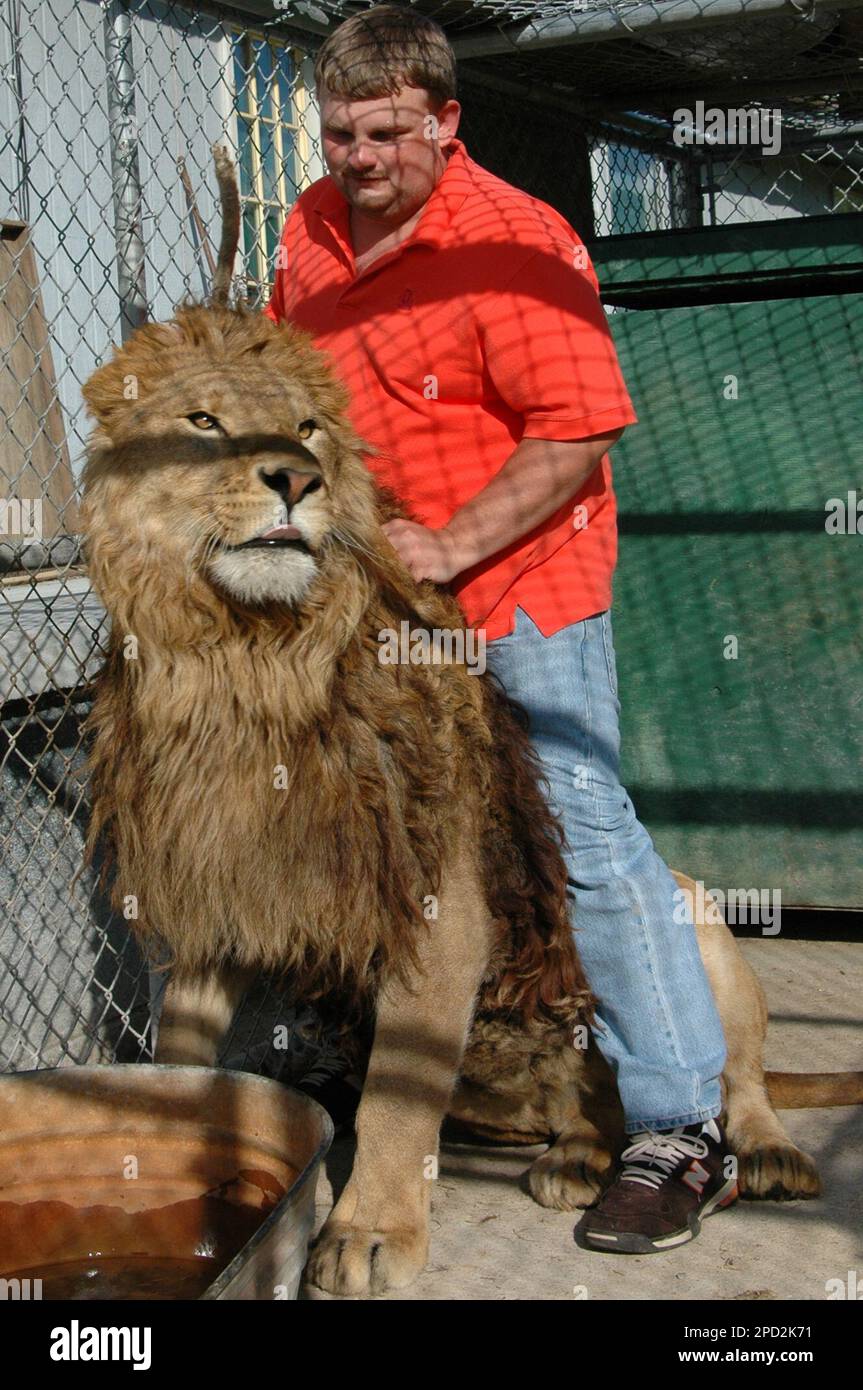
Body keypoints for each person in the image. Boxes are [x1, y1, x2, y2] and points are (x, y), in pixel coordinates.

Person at [264, 4, 735, 1254]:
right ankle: (354, 1058)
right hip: (368, 602)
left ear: (445, 120)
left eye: (384, 133)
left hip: (516, 582)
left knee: (575, 828)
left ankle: (679, 1130)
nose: (356, 159)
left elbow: (574, 432)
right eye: (337, 133)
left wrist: (446, 542)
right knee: (364, 827)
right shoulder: (308, 231)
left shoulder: (518, 239)